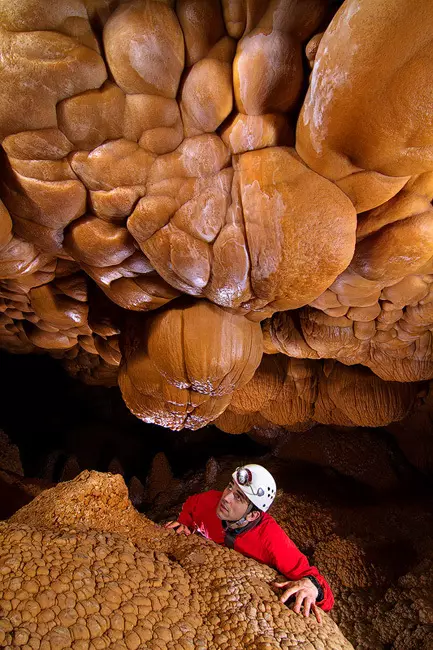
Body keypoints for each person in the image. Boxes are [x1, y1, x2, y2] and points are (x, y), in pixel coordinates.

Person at [165, 463, 334, 623]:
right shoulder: (209, 501)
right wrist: (185, 522)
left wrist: (313, 589)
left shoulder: (271, 539)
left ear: (253, 515)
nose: (226, 497)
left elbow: (320, 588)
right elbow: (191, 504)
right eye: (230, 486)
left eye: (238, 497)